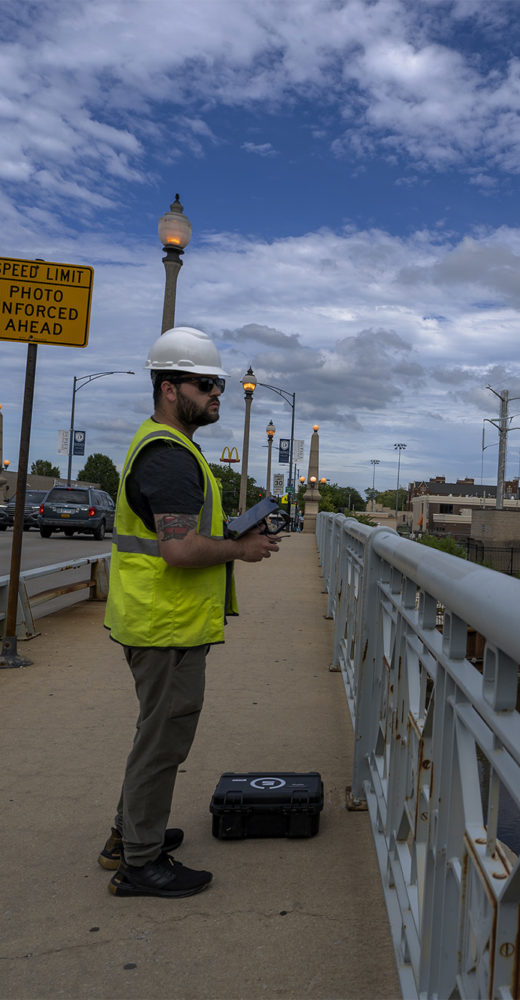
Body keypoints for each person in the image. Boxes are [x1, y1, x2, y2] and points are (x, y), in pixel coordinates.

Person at [100, 327, 280, 898]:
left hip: (156, 620)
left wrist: (226, 532)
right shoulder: (171, 458)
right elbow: (177, 550)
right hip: (165, 626)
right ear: (169, 388)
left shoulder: (163, 446)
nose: (216, 394)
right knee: (163, 744)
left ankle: (126, 836)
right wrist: (240, 549)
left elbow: (170, 533)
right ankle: (140, 864)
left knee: (152, 735)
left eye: (219, 385)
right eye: (206, 385)